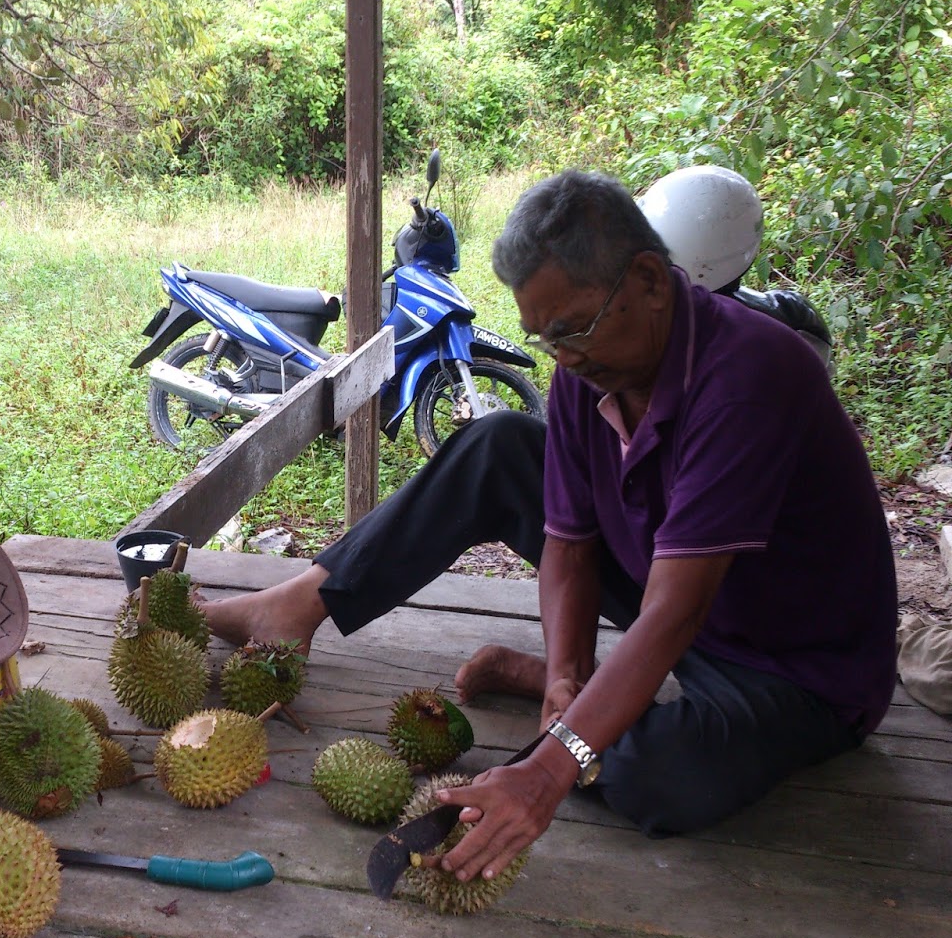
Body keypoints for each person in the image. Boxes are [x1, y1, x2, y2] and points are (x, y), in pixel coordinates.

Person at [206, 169, 897, 889]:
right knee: (498, 444)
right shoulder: (585, 373)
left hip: (790, 669)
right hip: (672, 592)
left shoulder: (752, 376)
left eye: (573, 329)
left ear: (651, 280)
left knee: (662, 778)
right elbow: (569, 542)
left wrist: (546, 770)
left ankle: (593, 711)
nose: (563, 358)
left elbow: (674, 611)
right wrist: (566, 676)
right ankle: (301, 606)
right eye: (545, 339)